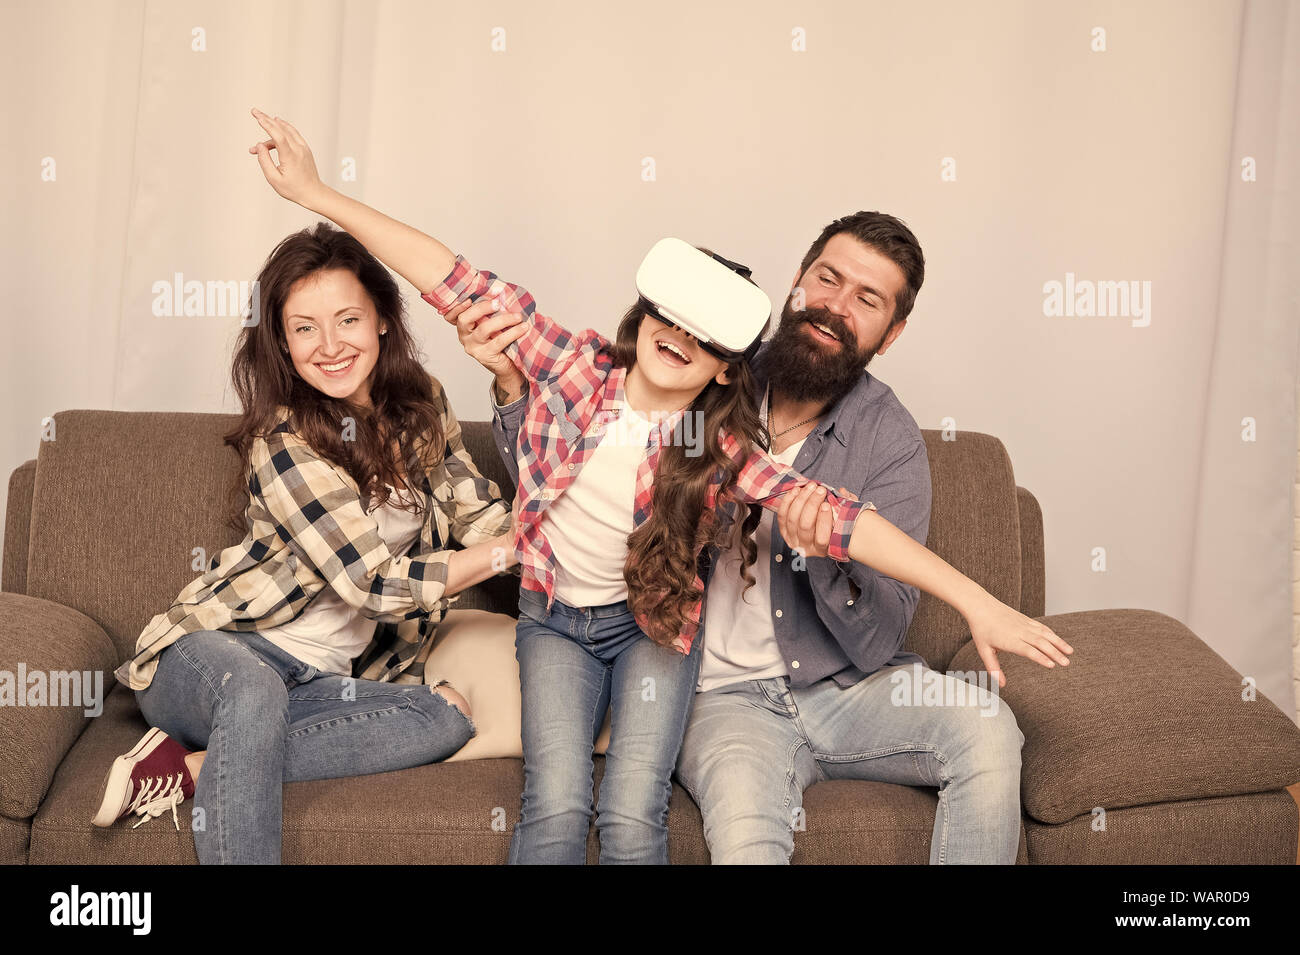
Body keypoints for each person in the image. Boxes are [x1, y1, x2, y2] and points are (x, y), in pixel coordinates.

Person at [243, 108, 1072, 864]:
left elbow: (858, 528)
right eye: (670, 316)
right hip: (559, 625)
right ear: (642, 318)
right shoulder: (569, 368)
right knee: (560, 806)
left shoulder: (719, 445)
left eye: (706, 335)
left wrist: (977, 602)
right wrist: (318, 191)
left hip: (656, 631)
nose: (681, 336)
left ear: (722, 367)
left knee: (635, 816)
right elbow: (449, 273)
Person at [482, 212, 1068, 864]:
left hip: (848, 690)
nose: (835, 306)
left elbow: (882, 635)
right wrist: (512, 389)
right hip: (724, 703)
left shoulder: (890, 439)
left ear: (891, 333)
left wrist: (822, 559)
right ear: (795, 283)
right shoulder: (705, 372)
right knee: (746, 845)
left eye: (867, 299)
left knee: (989, 731)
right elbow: (568, 474)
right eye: (827, 278)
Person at [93, 220, 519, 865]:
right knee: (253, 691)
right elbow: (371, 585)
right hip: (217, 655)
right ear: (283, 344)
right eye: (304, 328)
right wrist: (508, 552)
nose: (329, 346)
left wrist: (552, 535)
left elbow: (480, 514)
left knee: (446, 718)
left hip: (322, 680)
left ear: (381, 319)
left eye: (347, 319)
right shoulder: (283, 440)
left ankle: (187, 766)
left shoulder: (422, 405)